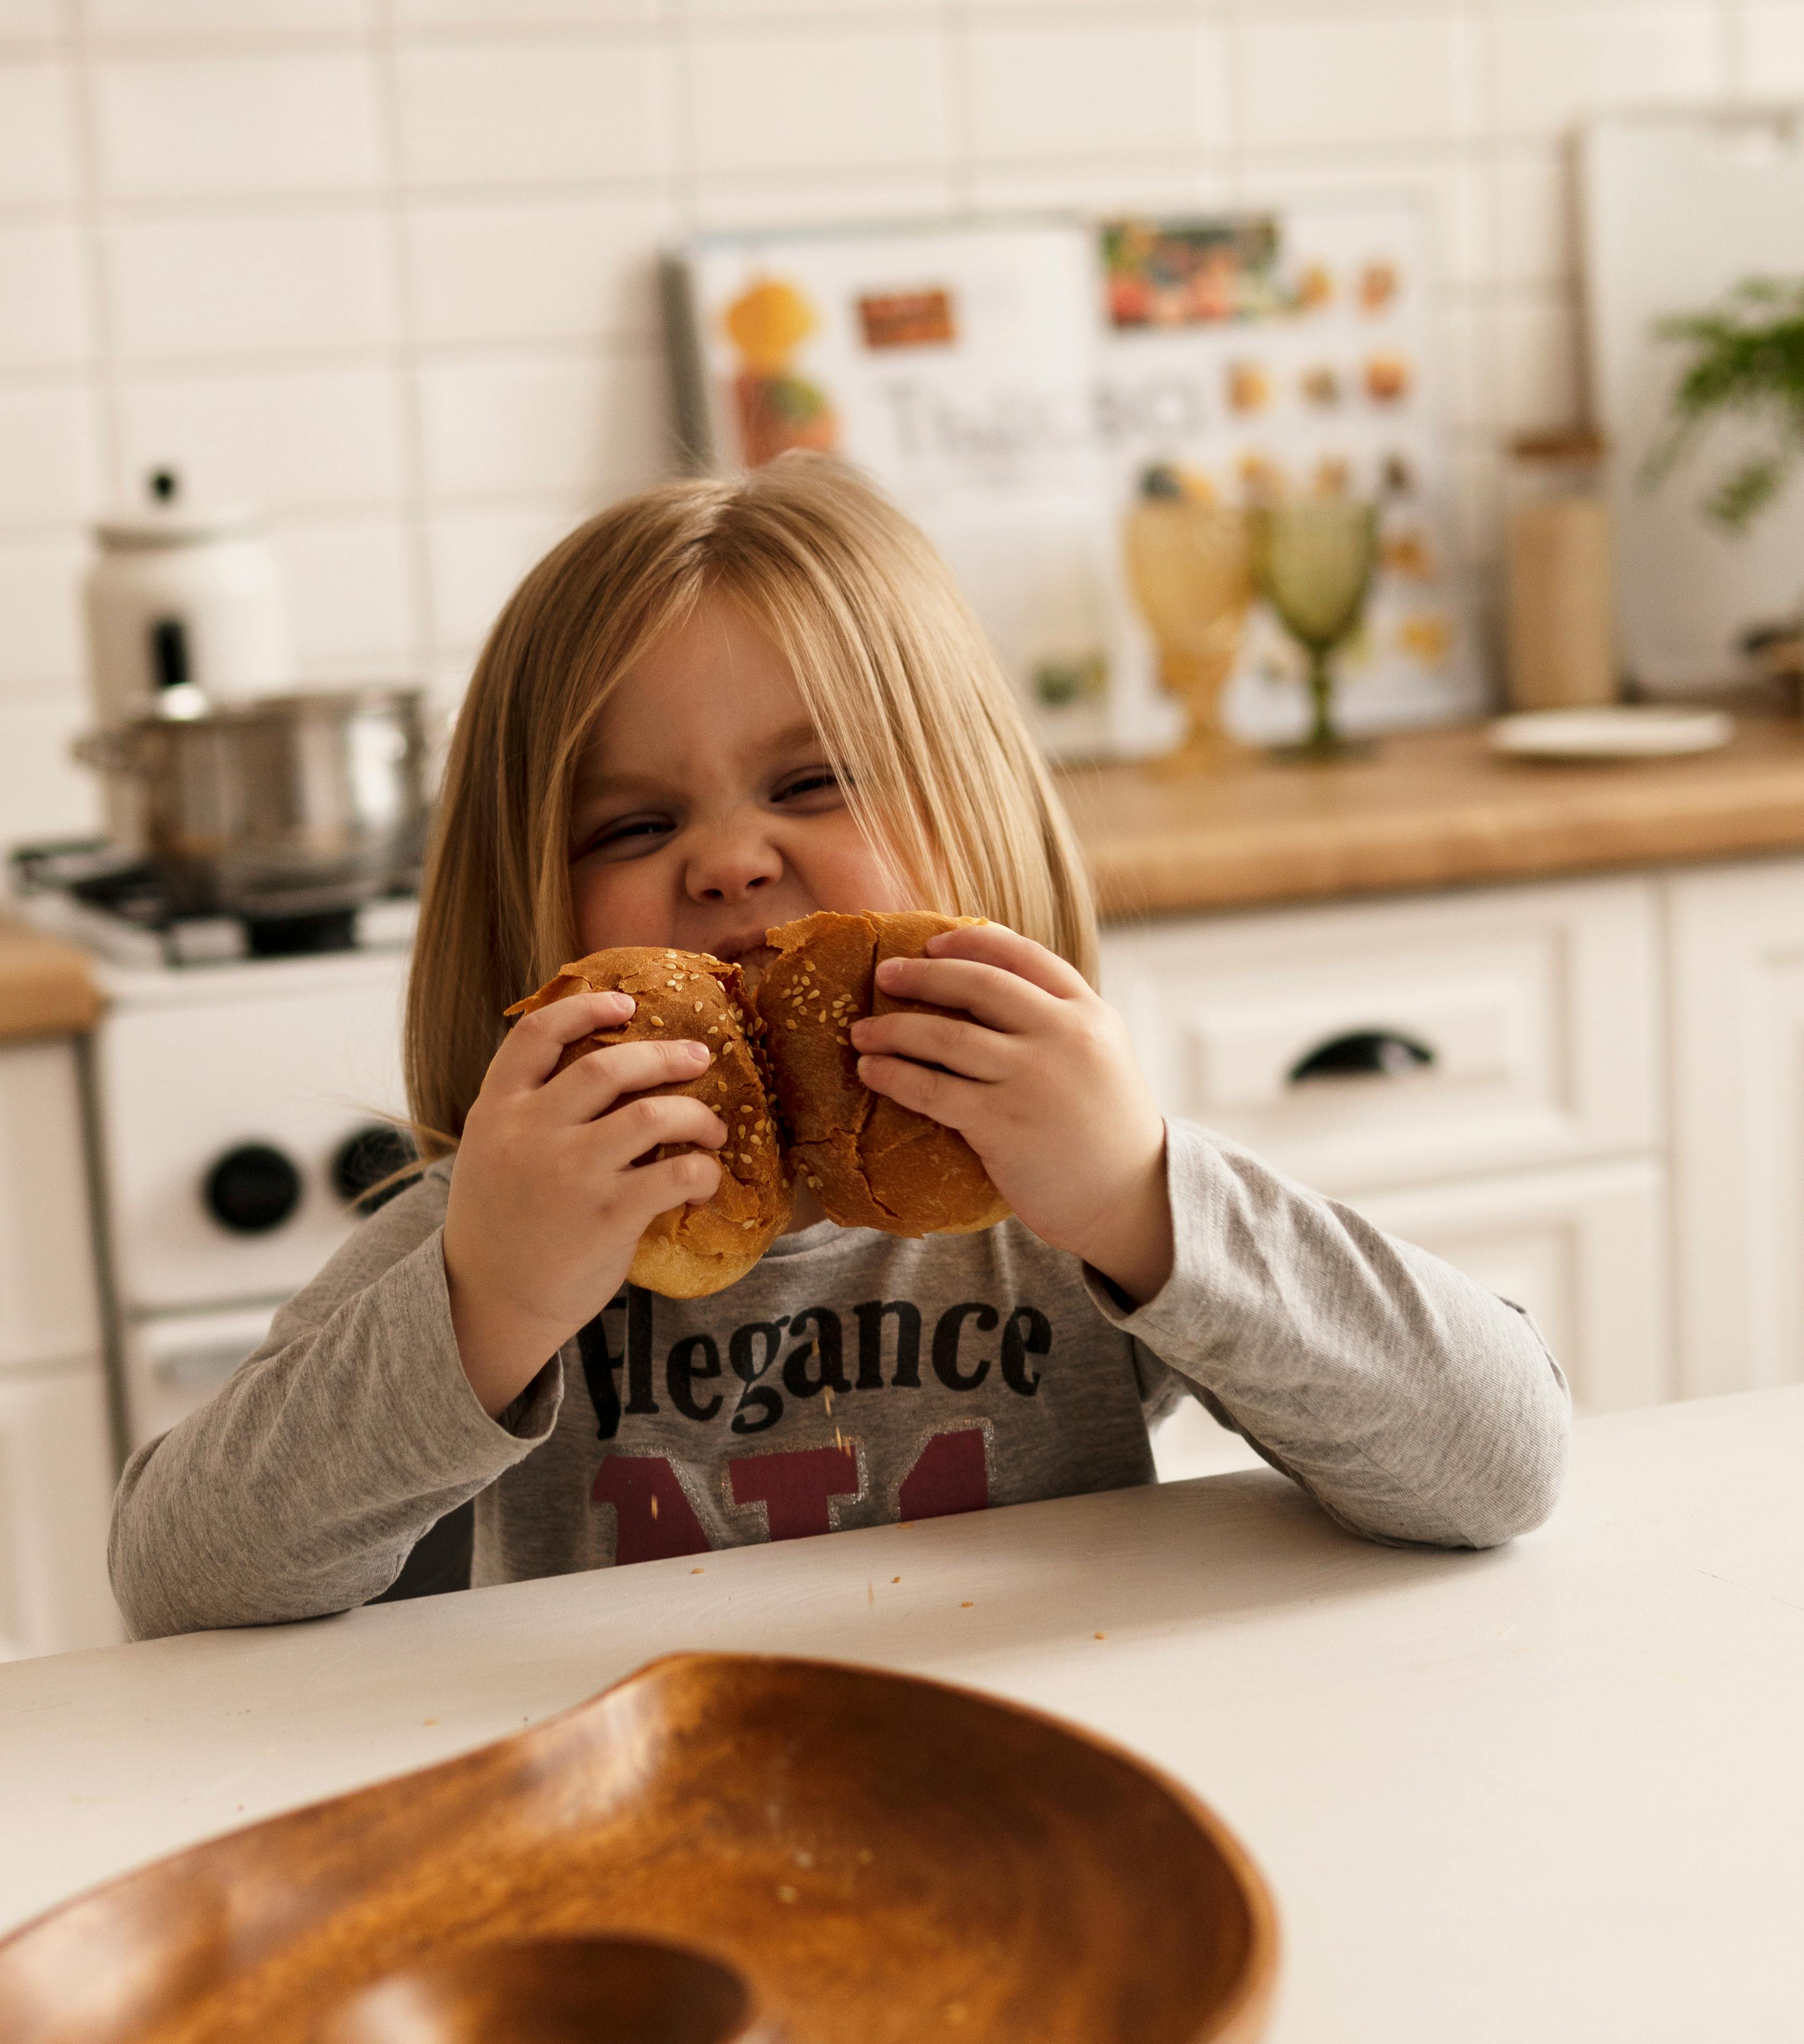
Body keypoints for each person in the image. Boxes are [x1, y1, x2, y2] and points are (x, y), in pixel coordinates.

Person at [110, 459, 1568, 1637]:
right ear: (529, 915)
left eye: (811, 782)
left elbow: (1499, 1465)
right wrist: (488, 1300)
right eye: (633, 826)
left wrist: (1142, 1203)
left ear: (977, 817)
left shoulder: (1062, 1195)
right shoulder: (501, 1225)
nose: (732, 860)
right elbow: (182, 1581)